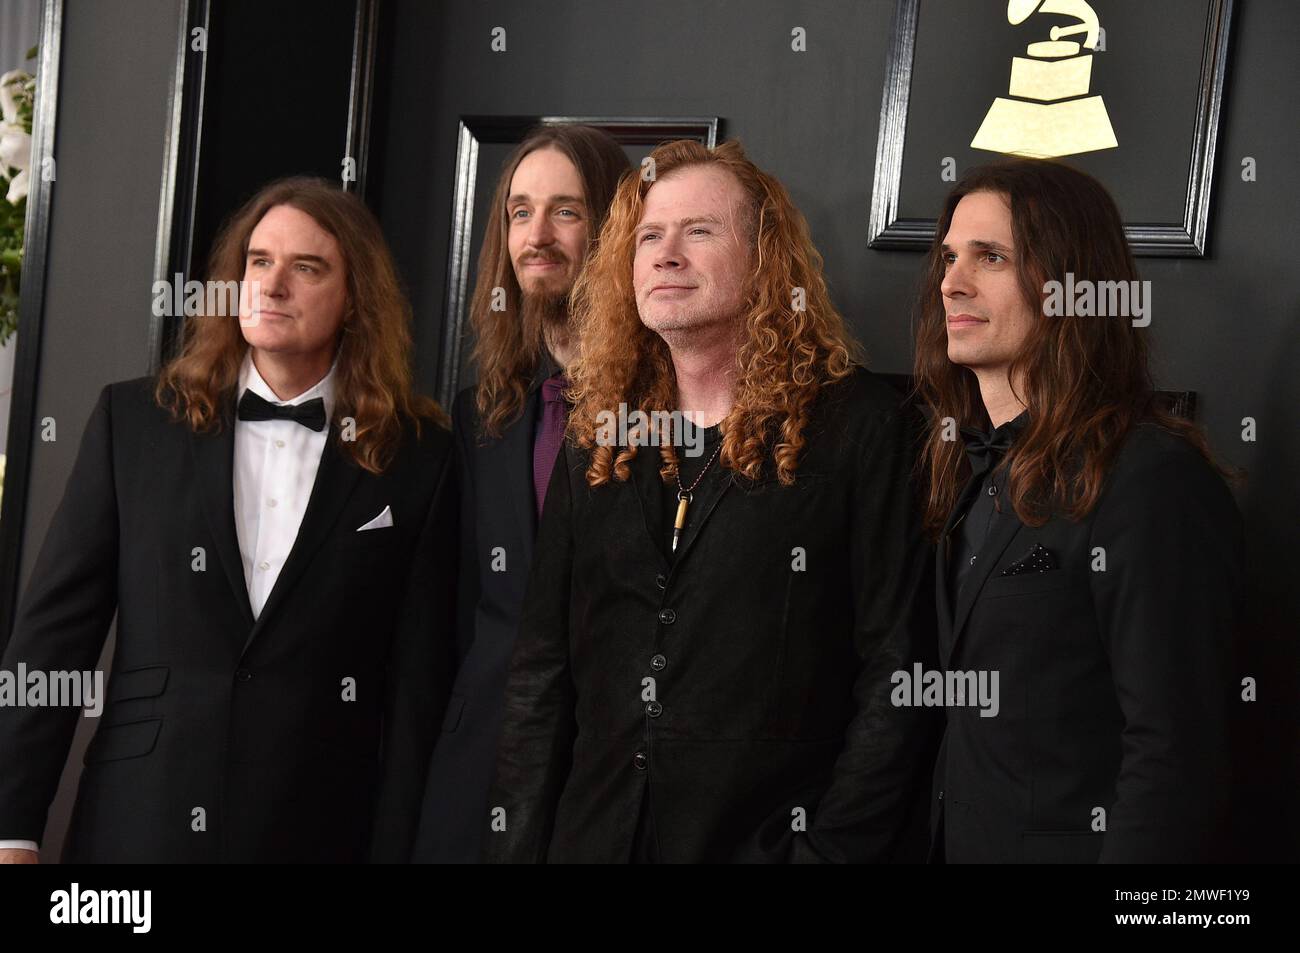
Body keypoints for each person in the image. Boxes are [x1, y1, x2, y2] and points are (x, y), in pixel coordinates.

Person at [484, 139, 939, 863]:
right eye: (649, 236)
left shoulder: (860, 427)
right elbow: (541, 672)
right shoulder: (596, 432)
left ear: (766, 259)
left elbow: (898, 670)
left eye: (699, 231)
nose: (666, 254)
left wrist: (828, 852)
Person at [0, 177, 456, 863]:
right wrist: (11, 828)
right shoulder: (135, 423)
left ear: (356, 297)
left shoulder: (419, 456)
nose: (273, 286)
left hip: (317, 828)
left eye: (307, 268)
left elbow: (416, 693)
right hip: (137, 823)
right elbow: (51, 640)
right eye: (259, 261)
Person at [916, 159, 1242, 863]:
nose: (951, 282)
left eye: (990, 257)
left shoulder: (1152, 477)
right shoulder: (965, 466)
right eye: (948, 257)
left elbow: (1174, 755)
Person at [413, 125, 630, 863]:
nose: (537, 234)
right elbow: (455, 616)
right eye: (520, 211)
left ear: (612, 228)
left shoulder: (669, 412)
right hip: (476, 770)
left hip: (607, 778)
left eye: (566, 211)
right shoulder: (485, 412)